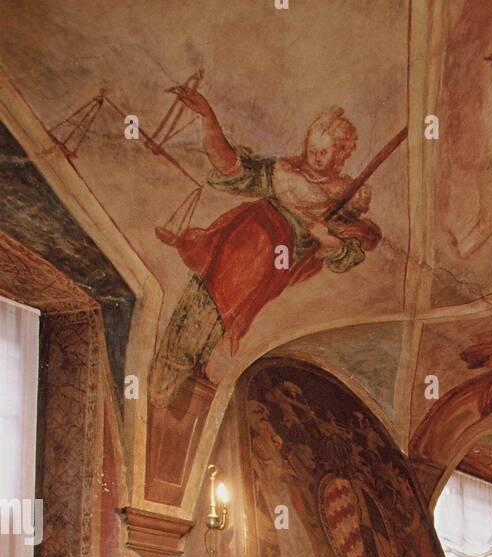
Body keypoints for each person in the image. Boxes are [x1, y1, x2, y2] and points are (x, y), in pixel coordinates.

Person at [149, 88, 381, 405]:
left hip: (275, 259)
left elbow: (352, 247)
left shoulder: (344, 194)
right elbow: (231, 167)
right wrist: (208, 118)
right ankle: (171, 379)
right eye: (313, 148)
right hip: (244, 241)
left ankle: (190, 373)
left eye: (325, 153)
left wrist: (325, 236)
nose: (315, 156)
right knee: (206, 298)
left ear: (340, 155)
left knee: (227, 310)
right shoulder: (283, 172)